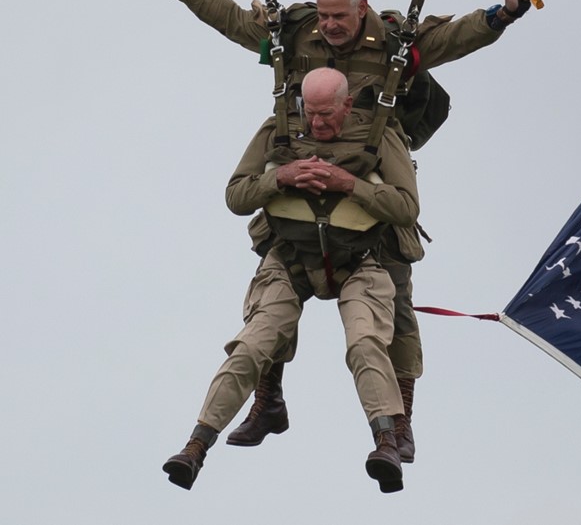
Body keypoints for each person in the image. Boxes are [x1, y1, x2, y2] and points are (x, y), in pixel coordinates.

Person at [148, 0, 534, 460]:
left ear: (362, 8)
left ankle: (399, 426)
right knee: (271, 299)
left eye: (340, 17)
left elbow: (453, 39)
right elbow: (231, 20)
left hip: (370, 175)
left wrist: (502, 14)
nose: (329, 26)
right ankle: (267, 401)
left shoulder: (394, 43)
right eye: (324, 16)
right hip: (300, 178)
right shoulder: (293, 36)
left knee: (393, 308)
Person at [164, 68, 418, 492]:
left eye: (328, 115)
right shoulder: (278, 131)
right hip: (291, 258)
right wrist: (281, 176)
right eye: (311, 113)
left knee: (365, 342)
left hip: (360, 259)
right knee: (252, 344)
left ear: (348, 106)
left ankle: (388, 441)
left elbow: (407, 208)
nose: (317, 124)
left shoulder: (380, 132)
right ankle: (195, 448)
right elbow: (236, 196)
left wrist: (348, 184)